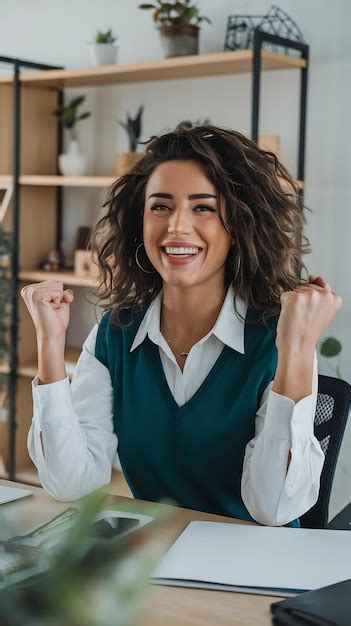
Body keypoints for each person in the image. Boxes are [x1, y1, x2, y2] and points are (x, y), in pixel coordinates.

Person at [22, 125, 342, 526]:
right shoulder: (114, 335)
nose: (176, 226)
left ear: (238, 224)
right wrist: (50, 346)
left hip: (258, 575)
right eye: (160, 206)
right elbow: (72, 484)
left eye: (203, 207)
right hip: (156, 562)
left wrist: (296, 348)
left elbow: (273, 508)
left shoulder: (280, 339)